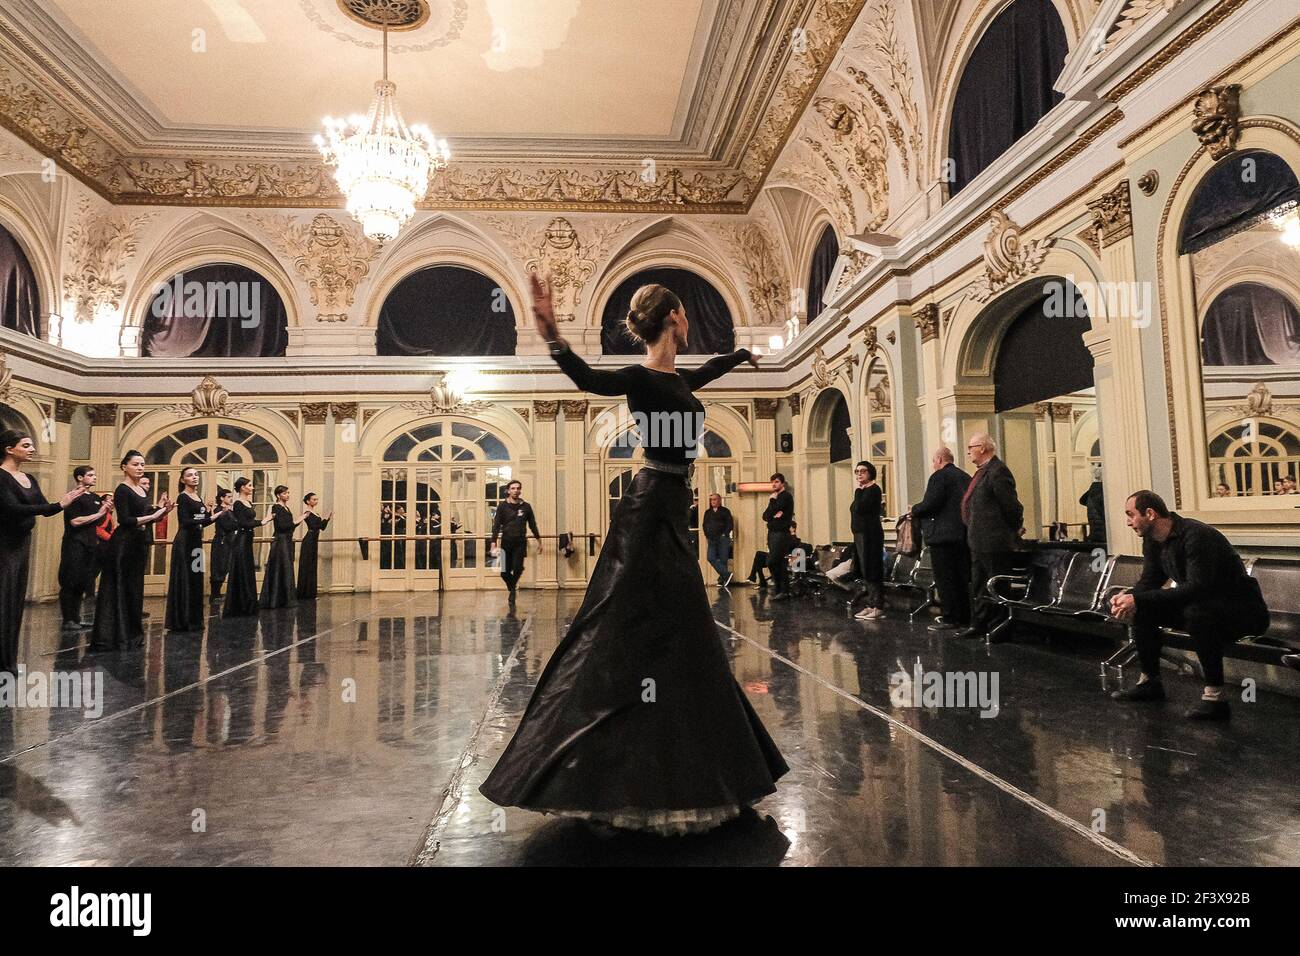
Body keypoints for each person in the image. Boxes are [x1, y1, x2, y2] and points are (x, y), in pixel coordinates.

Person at [480, 275, 787, 834]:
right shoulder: (639, 380)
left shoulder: (677, 380)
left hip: (671, 504)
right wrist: (550, 332)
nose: (690, 318)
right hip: (648, 507)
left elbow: (705, 373)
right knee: (633, 623)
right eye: (685, 312)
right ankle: (606, 762)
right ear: (673, 319)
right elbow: (588, 379)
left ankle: (684, 760)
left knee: (680, 629)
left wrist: (742, 354)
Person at [1109, 491, 1270, 720]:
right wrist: (1128, 597)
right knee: (1144, 609)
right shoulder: (1153, 540)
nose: (1128, 522)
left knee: (1197, 614)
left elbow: (1198, 587)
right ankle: (1150, 682)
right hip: (1204, 604)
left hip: (1243, 611)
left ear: (1150, 514)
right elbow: (1150, 581)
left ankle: (1215, 698)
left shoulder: (1196, 535)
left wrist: (1138, 598)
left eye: (1130, 515)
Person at [0, 430, 87, 672]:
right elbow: (12, 508)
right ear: (9, 449)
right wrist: (59, 504)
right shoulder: (1, 477)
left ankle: (7, 660)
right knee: (4, 599)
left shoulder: (29, 478)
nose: (31, 449)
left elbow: (46, 509)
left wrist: (65, 501)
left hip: (22, 542)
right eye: (26, 445)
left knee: (14, 600)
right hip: (4, 544)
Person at [91, 450, 173, 651]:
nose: (140, 468)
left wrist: (162, 512)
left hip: (137, 544)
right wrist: (155, 515)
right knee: (120, 587)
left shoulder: (142, 491)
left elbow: (146, 514)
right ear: (124, 467)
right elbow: (126, 520)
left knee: (134, 589)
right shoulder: (122, 490)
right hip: (123, 545)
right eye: (136, 464)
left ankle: (131, 633)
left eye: (142, 464)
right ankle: (116, 636)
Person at [957, 433, 1024, 642]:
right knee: (979, 585)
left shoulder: (998, 471)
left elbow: (1011, 505)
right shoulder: (982, 472)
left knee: (996, 586)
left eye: (971, 447)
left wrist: (1013, 529)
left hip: (994, 541)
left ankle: (998, 628)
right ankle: (979, 624)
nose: (968, 451)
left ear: (983, 448)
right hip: (978, 540)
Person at [909, 447, 972, 632]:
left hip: (942, 536)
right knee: (961, 578)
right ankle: (965, 616)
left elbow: (931, 503)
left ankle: (950, 617)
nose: (933, 464)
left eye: (933, 461)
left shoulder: (939, 476)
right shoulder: (965, 477)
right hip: (962, 534)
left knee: (945, 579)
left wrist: (915, 509)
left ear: (938, 459)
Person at [164, 467, 223, 632]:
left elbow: (203, 520)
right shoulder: (182, 497)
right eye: (190, 475)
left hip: (197, 542)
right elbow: (185, 521)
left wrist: (214, 516)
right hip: (185, 543)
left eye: (196, 474)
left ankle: (195, 619)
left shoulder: (198, 497)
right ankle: (183, 620)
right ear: (183, 480)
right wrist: (210, 517)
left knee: (197, 578)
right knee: (186, 578)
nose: (194, 477)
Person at [58, 465, 112, 631]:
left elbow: (97, 521)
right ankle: (68, 619)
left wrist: (105, 510)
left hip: (90, 544)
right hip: (75, 543)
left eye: (95, 475)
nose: (94, 477)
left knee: (82, 581)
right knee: (70, 581)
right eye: (90, 475)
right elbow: (75, 521)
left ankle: (76, 618)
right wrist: (99, 513)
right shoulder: (73, 496)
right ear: (80, 478)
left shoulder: (95, 497)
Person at [223, 477, 266, 618]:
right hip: (241, 539)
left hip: (248, 539)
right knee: (241, 570)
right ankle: (240, 605)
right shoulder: (238, 503)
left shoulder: (248, 502)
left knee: (247, 570)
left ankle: (248, 603)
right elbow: (243, 523)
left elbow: (249, 522)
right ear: (242, 488)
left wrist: (258, 522)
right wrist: (262, 522)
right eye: (250, 485)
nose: (252, 488)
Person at [490, 480, 541, 593]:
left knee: (518, 568)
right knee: (504, 572)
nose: (515, 490)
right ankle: (512, 587)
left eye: (518, 488)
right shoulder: (502, 506)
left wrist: (539, 540)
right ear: (508, 491)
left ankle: (512, 590)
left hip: (520, 542)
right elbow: (497, 525)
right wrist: (493, 542)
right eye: (513, 488)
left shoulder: (526, 507)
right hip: (506, 542)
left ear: (520, 491)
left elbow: (532, 524)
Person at [850, 461, 886, 621]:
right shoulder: (863, 490)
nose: (859, 474)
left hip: (870, 534)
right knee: (865, 570)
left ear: (870, 472)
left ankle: (878, 606)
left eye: (863, 471)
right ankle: (871, 604)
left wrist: (858, 491)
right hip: (860, 534)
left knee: (872, 569)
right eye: (857, 471)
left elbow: (859, 508)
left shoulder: (873, 490)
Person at [259, 484, 300, 609]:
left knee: (285, 568)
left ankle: (284, 598)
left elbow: (288, 526)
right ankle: (277, 599)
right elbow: (282, 526)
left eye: (288, 493)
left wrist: (295, 523)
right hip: (281, 541)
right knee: (280, 568)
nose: (287, 495)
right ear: (278, 495)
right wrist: (297, 521)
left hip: (286, 540)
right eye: (284, 493)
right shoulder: (276, 507)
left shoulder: (286, 508)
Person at [763, 473, 795, 600]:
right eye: (772, 482)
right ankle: (783, 590)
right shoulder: (776, 497)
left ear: (782, 483)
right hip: (772, 533)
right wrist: (774, 513)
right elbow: (765, 516)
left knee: (771, 561)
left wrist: (772, 501)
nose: (774, 484)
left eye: (776, 482)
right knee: (780, 562)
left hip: (781, 534)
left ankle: (779, 587)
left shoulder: (785, 496)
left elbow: (773, 510)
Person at [297, 493, 332, 599]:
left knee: (312, 566)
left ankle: (311, 594)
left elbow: (322, 527)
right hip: (309, 541)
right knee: (307, 566)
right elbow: (314, 526)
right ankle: (305, 594)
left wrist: (327, 519)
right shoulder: (307, 513)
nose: (316, 501)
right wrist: (323, 520)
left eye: (317, 499)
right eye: (314, 499)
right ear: (308, 501)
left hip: (313, 541)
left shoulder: (315, 513)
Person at [701, 493, 735, 586]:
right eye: (711, 500)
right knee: (710, 557)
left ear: (719, 500)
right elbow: (704, 525)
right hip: (711, 538)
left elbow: (730, 524)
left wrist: (725, 534)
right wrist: (706, 534)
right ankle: (727, 575)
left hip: (722, 538)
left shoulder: (725, 511)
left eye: (715, 499)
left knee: (723, 559)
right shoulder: (707, 512)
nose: (713, 501)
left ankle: (722, 580)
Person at [209, 487, 236, 603]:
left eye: (231, 497)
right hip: (222, 542)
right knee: (219, 567)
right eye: (228, 497)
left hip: (228, 541)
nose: (231, 499)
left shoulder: (229, 511)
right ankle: (215, 595)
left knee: (225, 567)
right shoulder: (219, 510)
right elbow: (230, 525)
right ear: (222, 498)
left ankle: (217, 594)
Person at [1079, 463, 1106, 544]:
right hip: (1103, 534)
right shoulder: (1101, 491)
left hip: (1094, 532)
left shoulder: (1092, 490)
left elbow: (1082, 500)